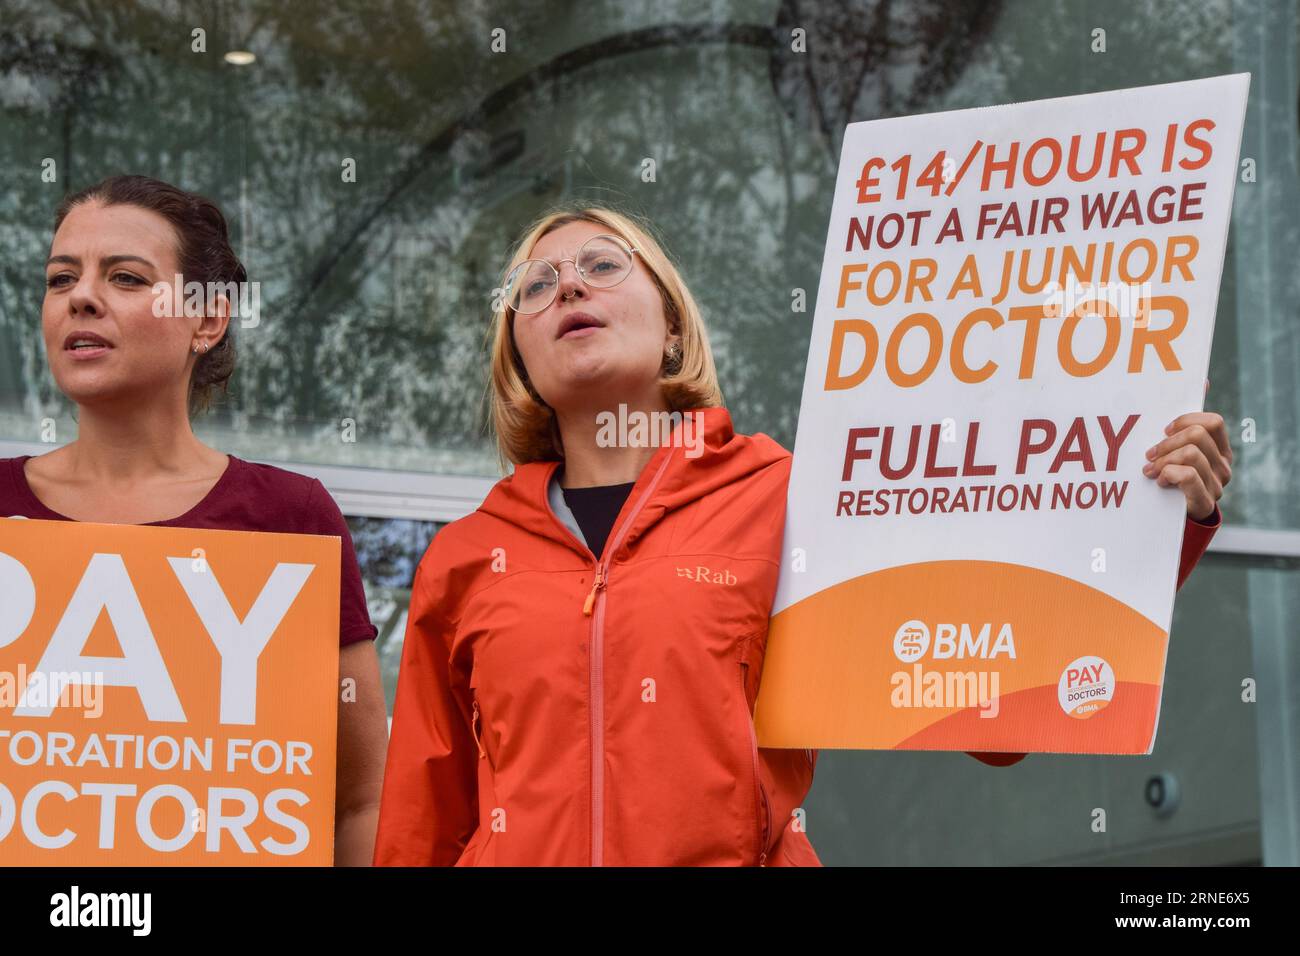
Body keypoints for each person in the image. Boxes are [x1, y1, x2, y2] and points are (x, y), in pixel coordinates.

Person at [373, 206, 1229, 865]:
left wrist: (1164, 519)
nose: (567, 287)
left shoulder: (790, 500)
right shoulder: (465, 558)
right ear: (519, 357)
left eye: (602, 265)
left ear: (672, 326)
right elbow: (421, 821)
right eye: (536, 283)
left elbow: (992, 712)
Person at [0, 174, 389, 865]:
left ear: (208, 319)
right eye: (61, 279)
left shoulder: (290, 517)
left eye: (124, 277)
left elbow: (359, 798)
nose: (80, 298)